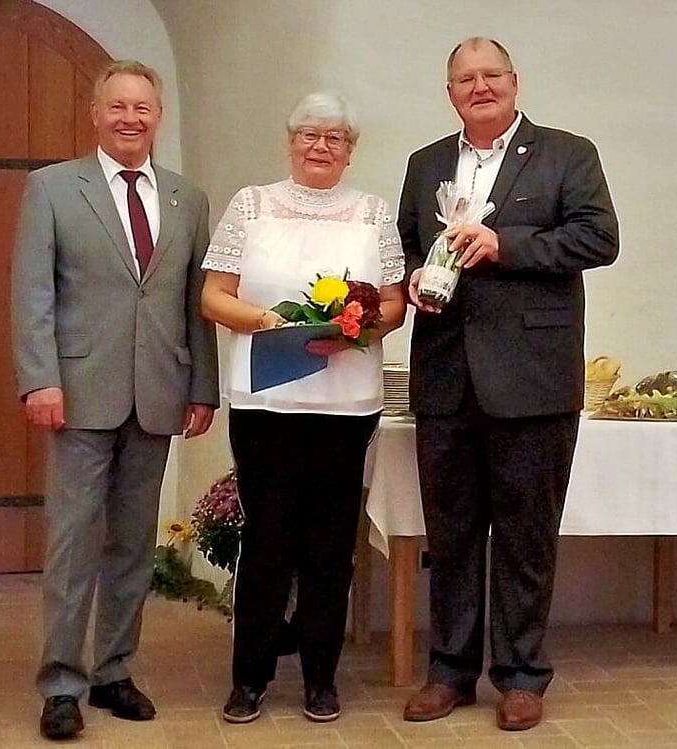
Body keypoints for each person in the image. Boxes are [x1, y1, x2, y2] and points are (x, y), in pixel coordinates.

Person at [399, 38, 619, 731]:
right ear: (450, 92)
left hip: (534, 378)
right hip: (444, 375)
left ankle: (522, 674)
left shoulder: (567, 153)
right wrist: (412, 278)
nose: (480, 86)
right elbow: (409, 243)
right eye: (466, 78)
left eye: (491, 74)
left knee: (526, 534)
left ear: (515, 83)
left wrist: (507, 244)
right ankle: (450, 671)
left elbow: (599, 239)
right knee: (452, 532)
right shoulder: (425, 162)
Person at [10, 59, 219, 741]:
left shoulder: (188, 198)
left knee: (132, 542)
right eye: (118, 106)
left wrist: (202, 386)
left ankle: (114, 670)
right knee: (74, 541)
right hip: (77, 392)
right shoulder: (51, 188)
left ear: (159, 116)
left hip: (159, 392)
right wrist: (39, 377)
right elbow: (33, 294)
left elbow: (195, 302)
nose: (131, 118)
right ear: (96, 114)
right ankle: (62, 682)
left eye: (144, 107)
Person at [201, 92, 406, 724]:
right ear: (290, 143)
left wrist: (353, 329)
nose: (321, 147)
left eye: (335, 138)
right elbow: (214, 296)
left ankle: (321, 676)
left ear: (351, 150)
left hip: (346, 403)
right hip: (266, 398)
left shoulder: (373, 213)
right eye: (309, 135)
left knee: (329, 543)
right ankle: (250, 678)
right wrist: (271, 323)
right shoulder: (252, 204)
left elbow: (395, 304)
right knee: (267, 539)